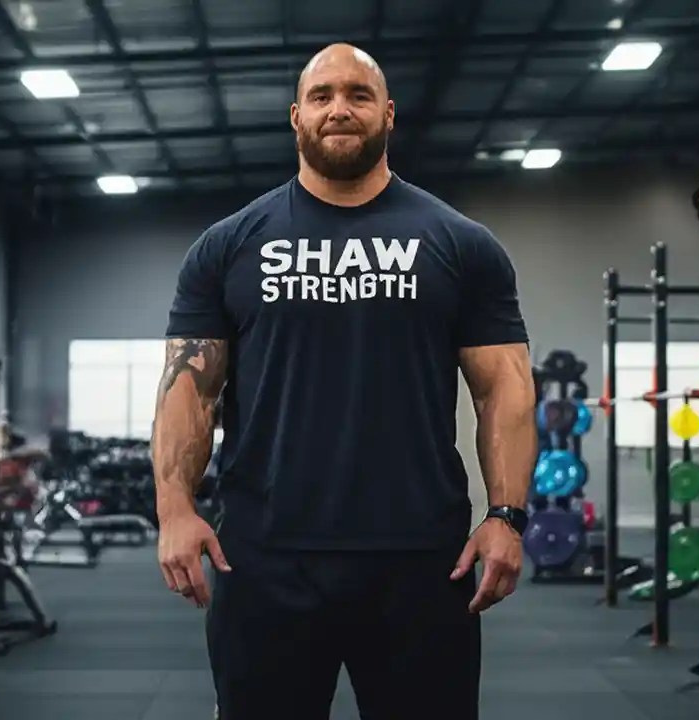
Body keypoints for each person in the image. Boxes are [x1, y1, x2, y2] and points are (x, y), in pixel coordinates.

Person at [151, 42, 537, 720]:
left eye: (359, 95)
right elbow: (190, 387)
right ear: (296, 116)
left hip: (421, 561)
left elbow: (502, 387)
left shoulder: (460, 244)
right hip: (265, 557)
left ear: (388, 114)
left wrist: (506, 516)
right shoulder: (228, 246)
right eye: (323, 95)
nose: (340, 108)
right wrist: (175, 508)